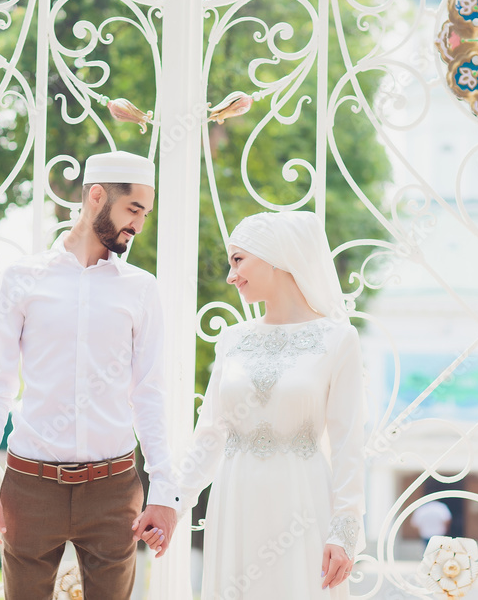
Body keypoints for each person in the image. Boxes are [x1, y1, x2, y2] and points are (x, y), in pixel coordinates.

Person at [0, 150, 180, 599]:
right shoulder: (22, 278)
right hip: (29, 487)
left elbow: (150, 393)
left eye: (145, 213)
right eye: (133, 209)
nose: (139, 225)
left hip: (113, 489)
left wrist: (163, 489)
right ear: (97, 197)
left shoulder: (141, 289)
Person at [143, 211, 367, 598]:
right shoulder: (233, 339)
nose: (231, 276)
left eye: (238, 259)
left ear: (276, 255)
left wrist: (344, 531)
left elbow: (349, 444)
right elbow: (210, 436)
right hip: (236, 502)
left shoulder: (338, 339)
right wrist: (172, 505)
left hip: (302, 504)